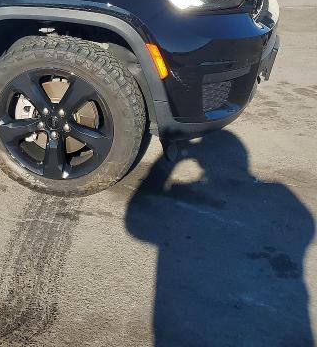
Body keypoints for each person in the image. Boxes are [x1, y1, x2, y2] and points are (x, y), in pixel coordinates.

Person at [126, 131, 314, 346]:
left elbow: (136, 226)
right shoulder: (280, 194)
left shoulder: (278, 196)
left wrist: (167, 162)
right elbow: (305, 227)